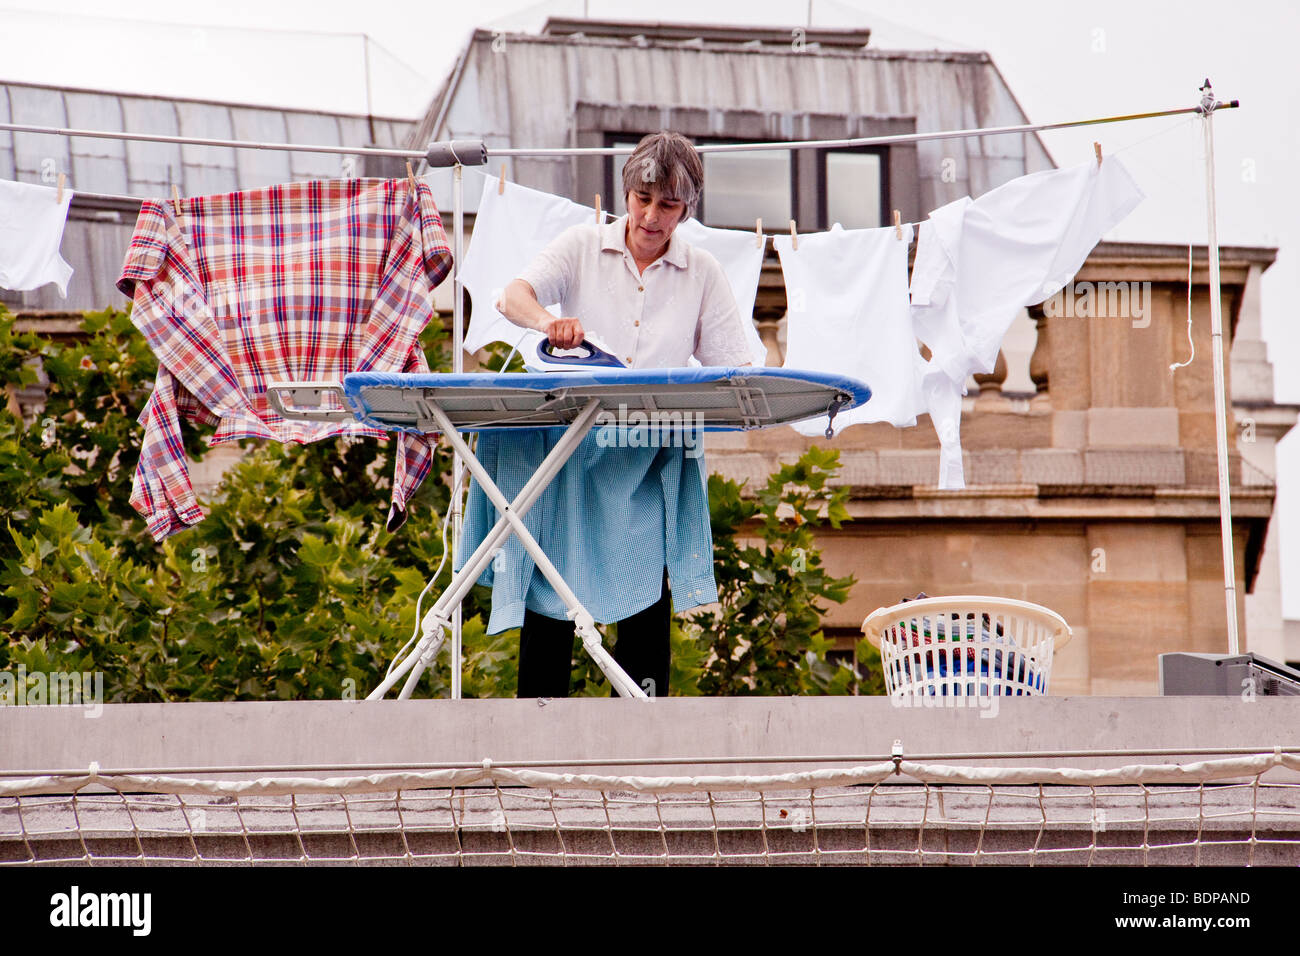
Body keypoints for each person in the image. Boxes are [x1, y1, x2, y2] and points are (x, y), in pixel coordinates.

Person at [483, 130, 753, 698]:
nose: (651, 216)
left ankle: (638, 752)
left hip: (647, 463)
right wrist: (546, 324)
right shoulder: (581, 246)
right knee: (552, 606)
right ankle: (536, 755)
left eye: (668, 206)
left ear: (687, 209)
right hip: (571, 458)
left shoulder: (701, 271)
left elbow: (733, 370)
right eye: (642, 200)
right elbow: (511, 296)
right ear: (626, 193)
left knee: (643, 619)